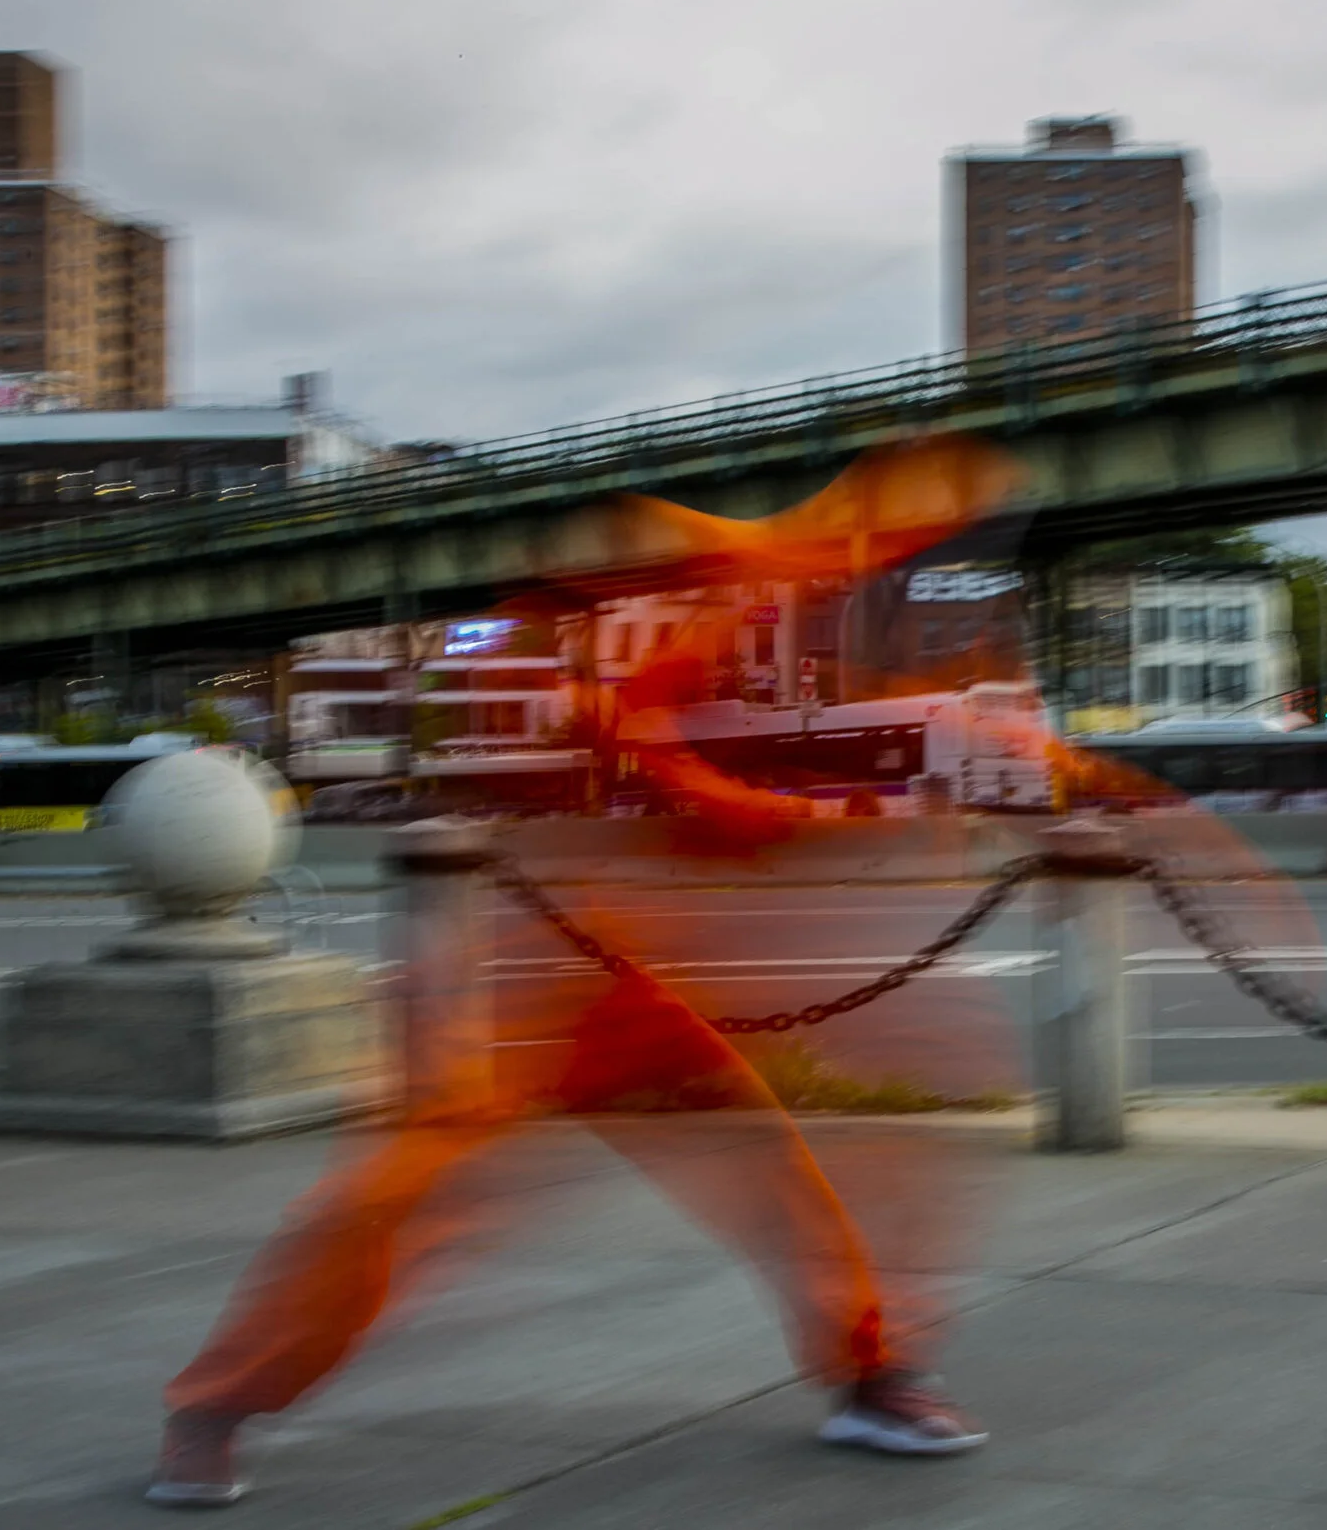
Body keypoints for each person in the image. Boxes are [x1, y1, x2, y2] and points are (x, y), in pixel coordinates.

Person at [149, 438, 1023, 1508]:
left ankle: (872, 1374)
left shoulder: (762, 591)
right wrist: (801, 816)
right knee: (394, 1195)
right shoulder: (703, 591)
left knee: (770, 1164)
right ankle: (212, 1405)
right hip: (512, 967)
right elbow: (661, 747)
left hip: (619, 974)